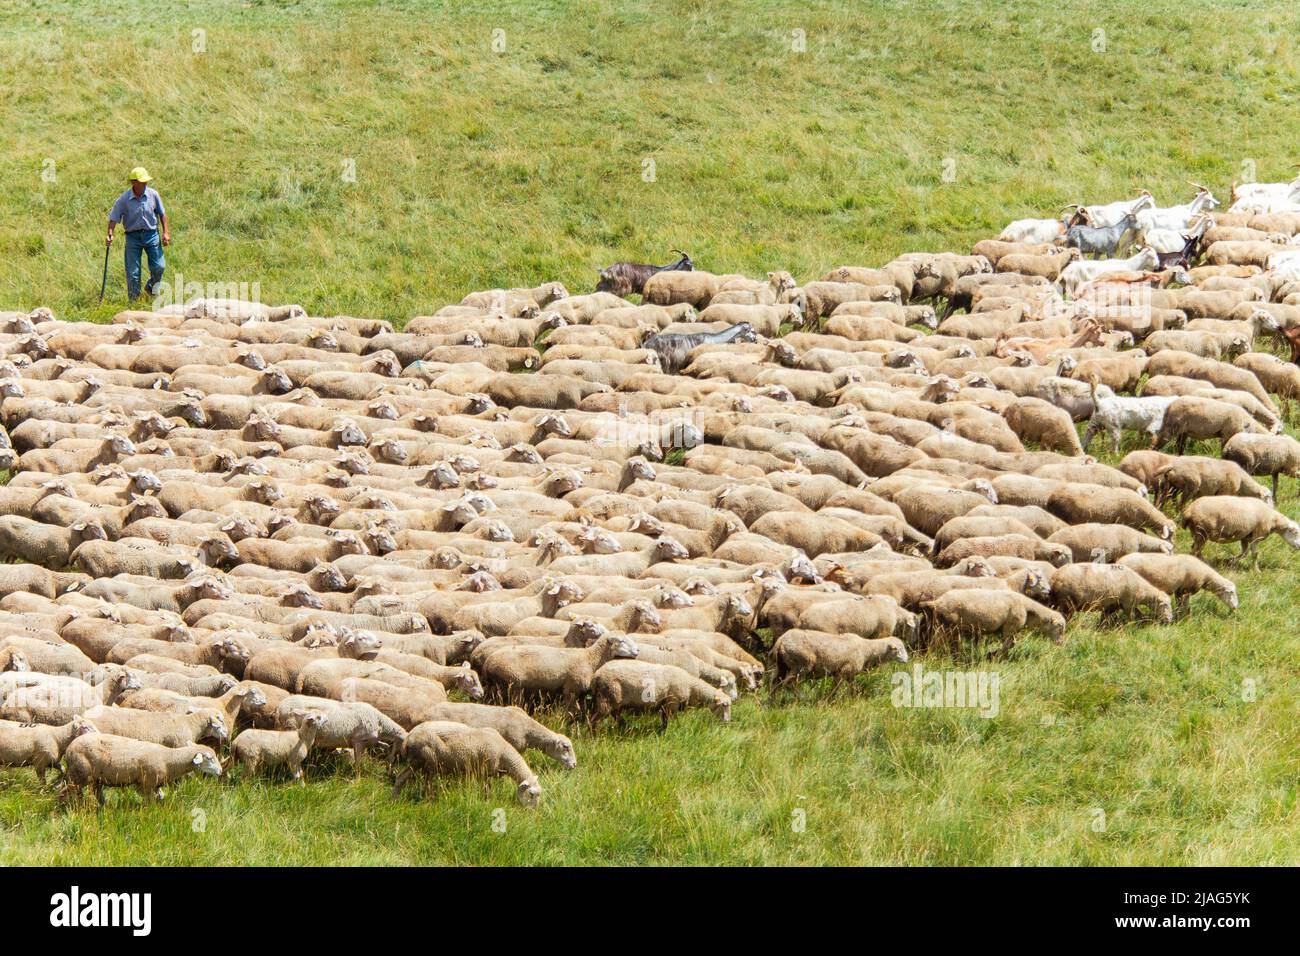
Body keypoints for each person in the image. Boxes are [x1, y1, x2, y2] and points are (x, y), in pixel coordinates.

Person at [106, 166, 170, 301]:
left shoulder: (153, 194)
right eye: (142, 181)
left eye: (146, 181)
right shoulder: (124, 199)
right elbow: (114, 217)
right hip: (132, 238)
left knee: (159, 266)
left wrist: (165, 232)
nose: (145, 183)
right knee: (133, 273)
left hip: (152, 235)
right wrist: (110, 233)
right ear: (134, 182)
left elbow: (162, 214)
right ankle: (134, 301)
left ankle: (151, 288)